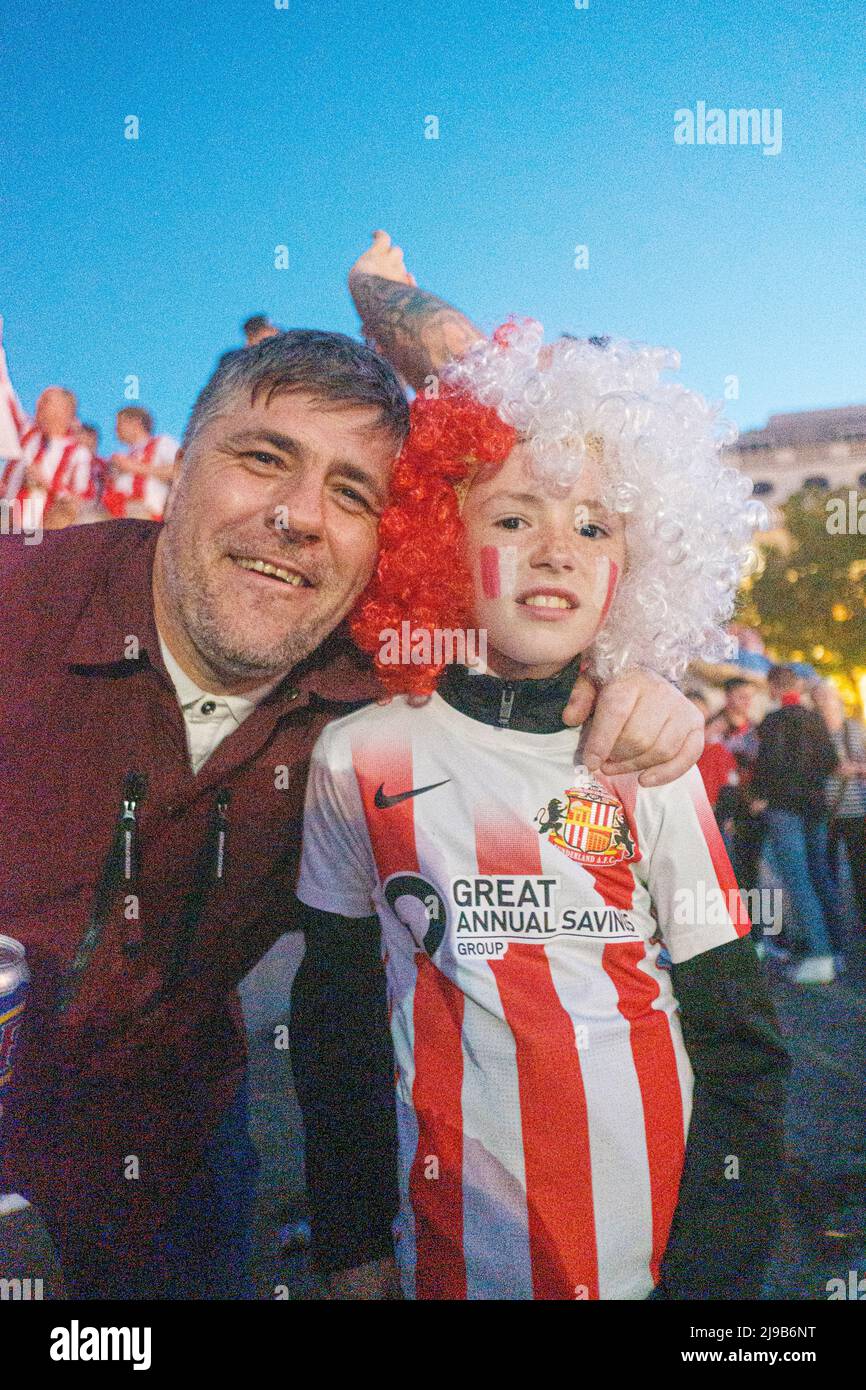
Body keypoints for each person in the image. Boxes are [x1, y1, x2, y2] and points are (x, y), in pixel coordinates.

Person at [0, 296, 700, 1298]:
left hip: (170, 1147)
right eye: (262, 458)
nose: (297, 516)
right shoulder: (17, 607)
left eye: (353, 491)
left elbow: (536, 564)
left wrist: (630, 677)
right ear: (181, 462)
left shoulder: (380, 700)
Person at [293, 322, 788, 1300]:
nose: (556, 548)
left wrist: (708, 1281)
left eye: (594, 526)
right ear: (438, 535)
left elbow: (739, 1040)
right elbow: (334, 1021)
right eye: (514, 517)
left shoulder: (645, 756)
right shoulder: (358, 755)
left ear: (634, 567)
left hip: (657, 1263)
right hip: (450, 1260)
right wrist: (351, 1247)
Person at [750, 665, 846, 983]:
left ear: (774, 689)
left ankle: (819, 955)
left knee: (799, 880)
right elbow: (831, 762)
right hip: (815, 807)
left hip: (784, 809)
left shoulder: (774, 721)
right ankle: (837, 951)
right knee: (821, 878)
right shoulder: (814, 718)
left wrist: (761, 795)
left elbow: (769, 764)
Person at [0, 320, 93, 530]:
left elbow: (82, 502)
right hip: (7, 527)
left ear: (66, 410)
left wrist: (47, 483)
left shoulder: (78, 454)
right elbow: (5, 394)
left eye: (46, 400)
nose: (38, 403)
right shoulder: (26, 434)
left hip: (45, 540)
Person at [812, 682, 866, 942]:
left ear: (838, 700)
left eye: (827, 697)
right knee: (826, 869)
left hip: (856, 810)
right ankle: (835, 926)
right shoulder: (813, 731)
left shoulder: (855, 729)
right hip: (826, 812)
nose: (823, 703)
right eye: (819, 698)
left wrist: (853, 768)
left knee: (860, 870)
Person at [102, 406, 179, 521]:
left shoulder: (162, 443)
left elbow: (179, 469)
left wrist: (134, 467)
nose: (116, 430)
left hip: (146, 515)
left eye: (120, 424)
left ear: (136, 423)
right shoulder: (128, 454)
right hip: (120, 515)